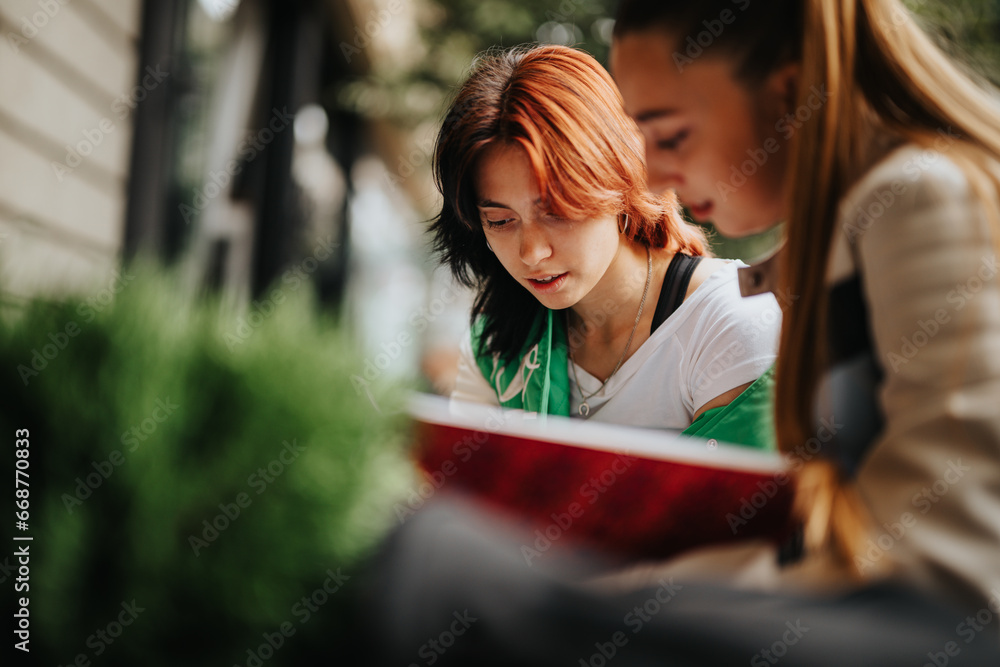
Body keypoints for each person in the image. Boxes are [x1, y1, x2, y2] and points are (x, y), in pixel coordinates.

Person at [609, 0, 1000, 615]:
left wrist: (650, 599)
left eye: (672, 135)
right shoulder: (847, 233)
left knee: (443, 568)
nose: (653, 174)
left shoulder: (921, 199)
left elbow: (944, 576)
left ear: (791, 94)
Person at [432, 44, 781, 446]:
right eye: (500, 221)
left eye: (557, 212)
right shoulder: (503, 339)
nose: (531, 252)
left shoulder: (728, 323)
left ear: (618, 180)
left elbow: (729, 503)